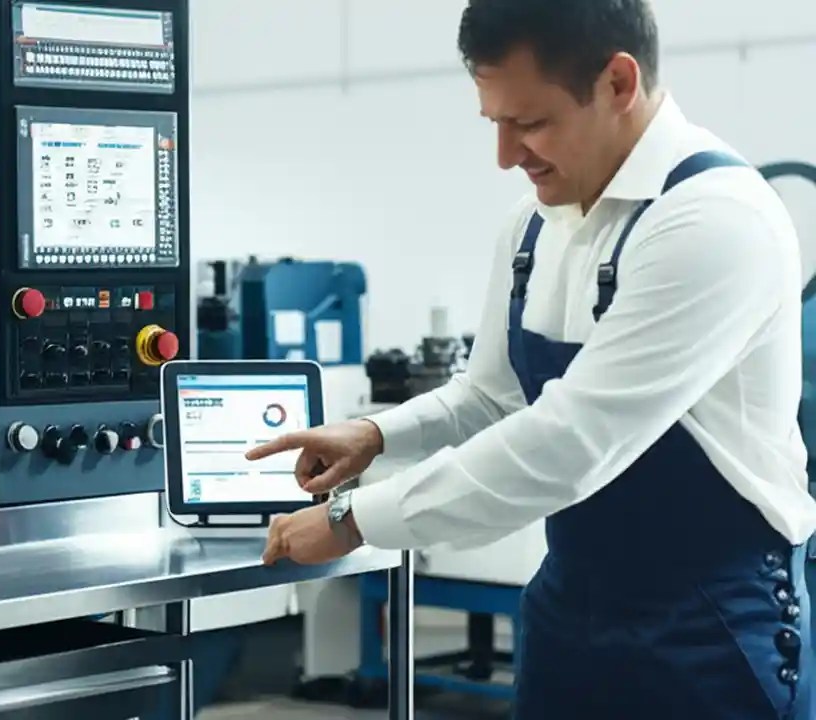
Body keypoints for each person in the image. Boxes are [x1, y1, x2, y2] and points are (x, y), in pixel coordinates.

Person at [245, 0, 816, 717]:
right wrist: (375, 435)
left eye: (532, 123)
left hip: (710, 630)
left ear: (617, 83)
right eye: (495, 122)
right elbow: (492, 396)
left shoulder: (715, 220)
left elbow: (571, 440)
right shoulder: (534, 225)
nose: (505, 155)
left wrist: (352, 520)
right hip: (568, 612)